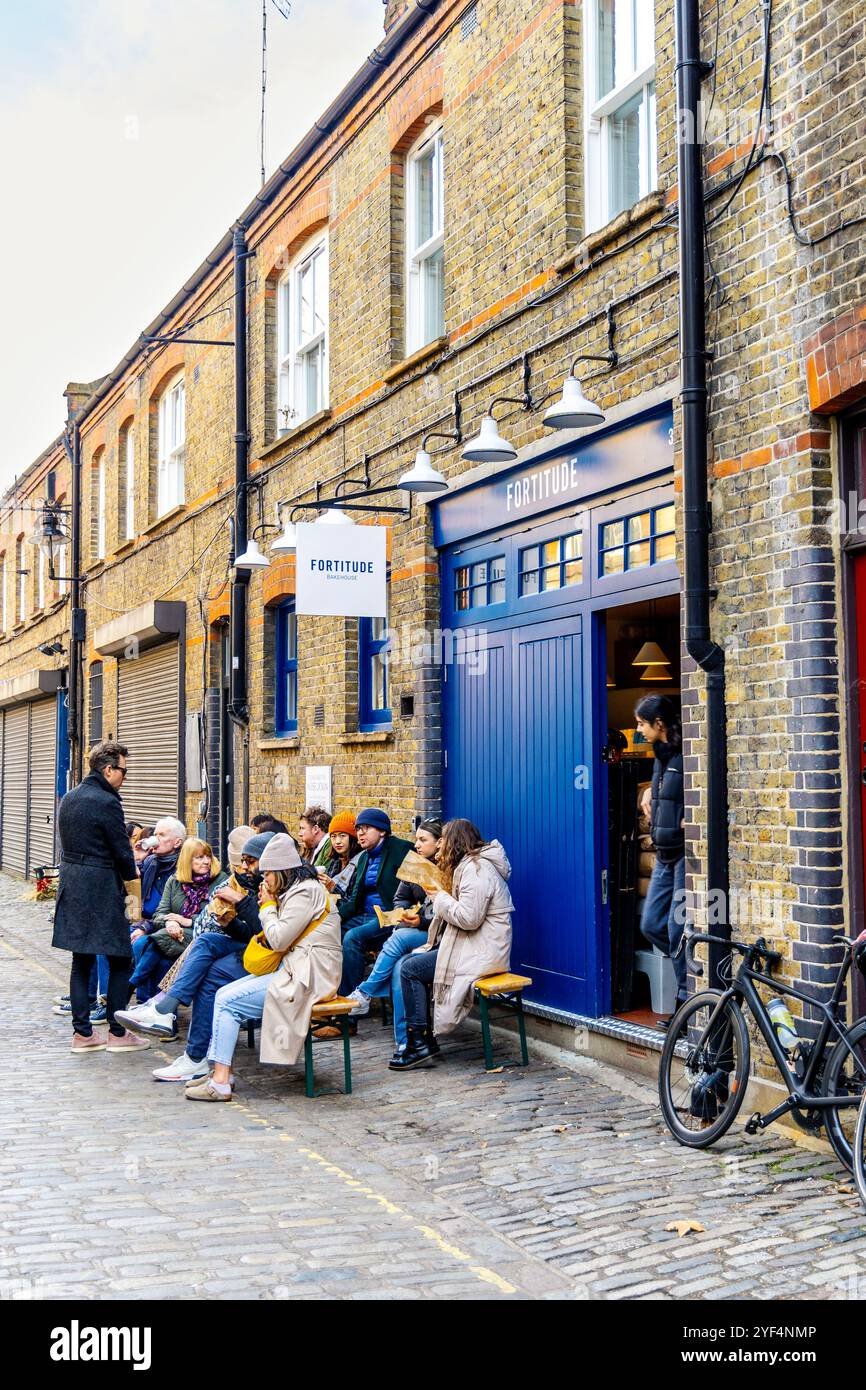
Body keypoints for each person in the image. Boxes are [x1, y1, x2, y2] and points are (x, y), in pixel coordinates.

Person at [186, 834, 342, 1101]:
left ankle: (221, 1080)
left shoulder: (306, 891)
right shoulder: (296, 891)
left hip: (310, 976)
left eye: (267, 874)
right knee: (223, 994)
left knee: (227, 1001)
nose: (264, 880)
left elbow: (279, 938)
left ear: (280, 872)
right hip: (296, 968)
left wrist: (268, 906)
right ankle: (220, 1073)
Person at [116, 829, 270, 1083]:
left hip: (269, 958)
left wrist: (240, 903)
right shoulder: (175, 880)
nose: (243, 867)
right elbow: (161, 912)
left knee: (193, 954)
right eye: (241, 861)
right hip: (231, 945)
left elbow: (270, 934)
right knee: (197, 945)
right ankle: (180, 1038)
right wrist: (228, 920)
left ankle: (164, 1013)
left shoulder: (269, 886)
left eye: (250, 862)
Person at [392, 819, 513, 1071]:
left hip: (482, 952)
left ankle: (418, 1045)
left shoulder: (478, 870)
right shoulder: (468, 867)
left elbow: (469, 919)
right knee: (410, 964)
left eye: (444, 840)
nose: (440, 846)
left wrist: (440, 899)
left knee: (410, 969)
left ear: (456, 842)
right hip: (472, 946)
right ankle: (424, 1041)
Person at [52, 740, 150, 1055]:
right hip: (102, 887)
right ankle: (118, 1033)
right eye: (123, 770)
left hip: (73, 884)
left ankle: (82, 1035)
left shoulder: (69, 798)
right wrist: (133, 887)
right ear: (108, 769)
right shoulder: (107, 802)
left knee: (81, 959)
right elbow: (122, 852)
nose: (125, 777)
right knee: (120, 958)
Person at [345, 818, 442, 1060]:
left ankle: (365, 992)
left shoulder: (448, 868)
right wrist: (405, 912)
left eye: (422, 840)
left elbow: (447, 914)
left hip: (437, 934)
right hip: (415, 927)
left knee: (397, 940)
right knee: (400, 968)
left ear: (439, 843)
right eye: (416, 839)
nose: (416, 845)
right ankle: (405, 1041)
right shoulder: (416, 864)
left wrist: (420, 919)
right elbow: (400, 898)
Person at [634, 693, 686, 1027]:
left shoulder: (686, 753)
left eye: (641, 723)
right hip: (664, 854)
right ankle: (695, 968)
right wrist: (647, 793)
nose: (638, 730)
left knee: (677, 927)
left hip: (684, 855)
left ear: (659, 723)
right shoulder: (660, 757)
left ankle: (684, 1005)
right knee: (652, 924)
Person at [127, 838, 226, 1003]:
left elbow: (217, 915)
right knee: (159, 954)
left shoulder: (220, 880)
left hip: (202, 934)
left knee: (155, 944)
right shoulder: (175, 881)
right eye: (199, 857)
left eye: (208, 856)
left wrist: (187, 921)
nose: (206, 861)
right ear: (187, 860)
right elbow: (160, 913)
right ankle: (154, 1007)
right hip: (173, 933)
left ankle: (135, 988)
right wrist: (170, 923)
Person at [337, 809, 413, 997]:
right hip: (364, 915)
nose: (360, 833)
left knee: (353, 937)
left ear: (382, 831)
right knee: (328, 932)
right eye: (358, 829)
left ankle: (349, 1005)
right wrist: (331, 917)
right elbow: (355, 900)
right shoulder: (363, 858)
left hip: (390, 916)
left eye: (366, 828)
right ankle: (328, 997)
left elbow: (416, 889)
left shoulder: (401, 849)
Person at [317, 810, 361, 897]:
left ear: (352, 837)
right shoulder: (335, 861)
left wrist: (331, 886)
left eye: (342, 836)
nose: (337, 841)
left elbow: (352, 901)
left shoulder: (360, 862)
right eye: (333, 836)